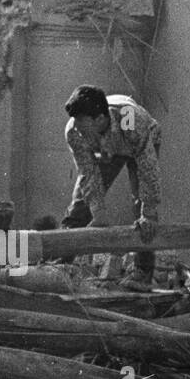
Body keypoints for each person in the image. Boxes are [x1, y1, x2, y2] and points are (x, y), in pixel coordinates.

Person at [62, 84, 162, 291]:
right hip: (108, 148)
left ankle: (143, 271)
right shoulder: (74, 131)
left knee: (141, 209)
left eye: (83, 126)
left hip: (141, 144)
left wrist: (149, 212)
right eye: (76, 124)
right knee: (80, 206)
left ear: (99, 119)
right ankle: (60, 263)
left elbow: (148, 169)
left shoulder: (130, 120)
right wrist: (98, 212)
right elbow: (88, 174)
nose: (78, 131)